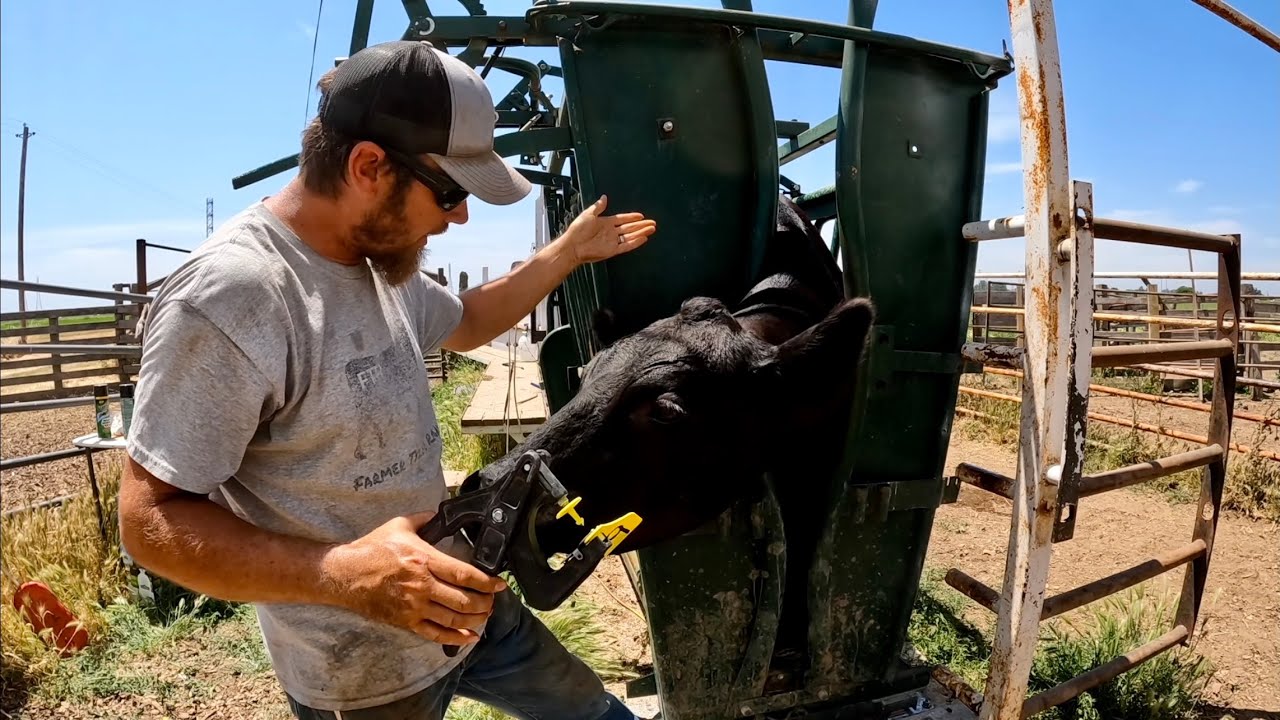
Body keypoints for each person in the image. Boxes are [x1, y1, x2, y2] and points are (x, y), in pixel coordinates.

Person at [118, 40, 657, 720]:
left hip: (469, 605)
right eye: (451, 191)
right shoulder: (235, 298)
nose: (459, 216)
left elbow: (468, 320)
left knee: (593, 712)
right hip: (361, 674)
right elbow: (147, 521)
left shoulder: (378, 263)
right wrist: (341, 576)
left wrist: (569, 251)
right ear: (369, 165)